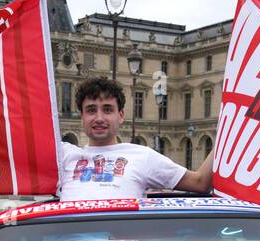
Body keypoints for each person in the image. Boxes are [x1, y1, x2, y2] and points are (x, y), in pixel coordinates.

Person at [57, 78, 212, 200]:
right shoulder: (63, 154)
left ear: (121, 115)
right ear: (82, 117)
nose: (99, 118)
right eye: (91, 110)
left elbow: (200, 182)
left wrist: (231, 123)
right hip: (70, 239)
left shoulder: (142, 156)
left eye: (107, 110)